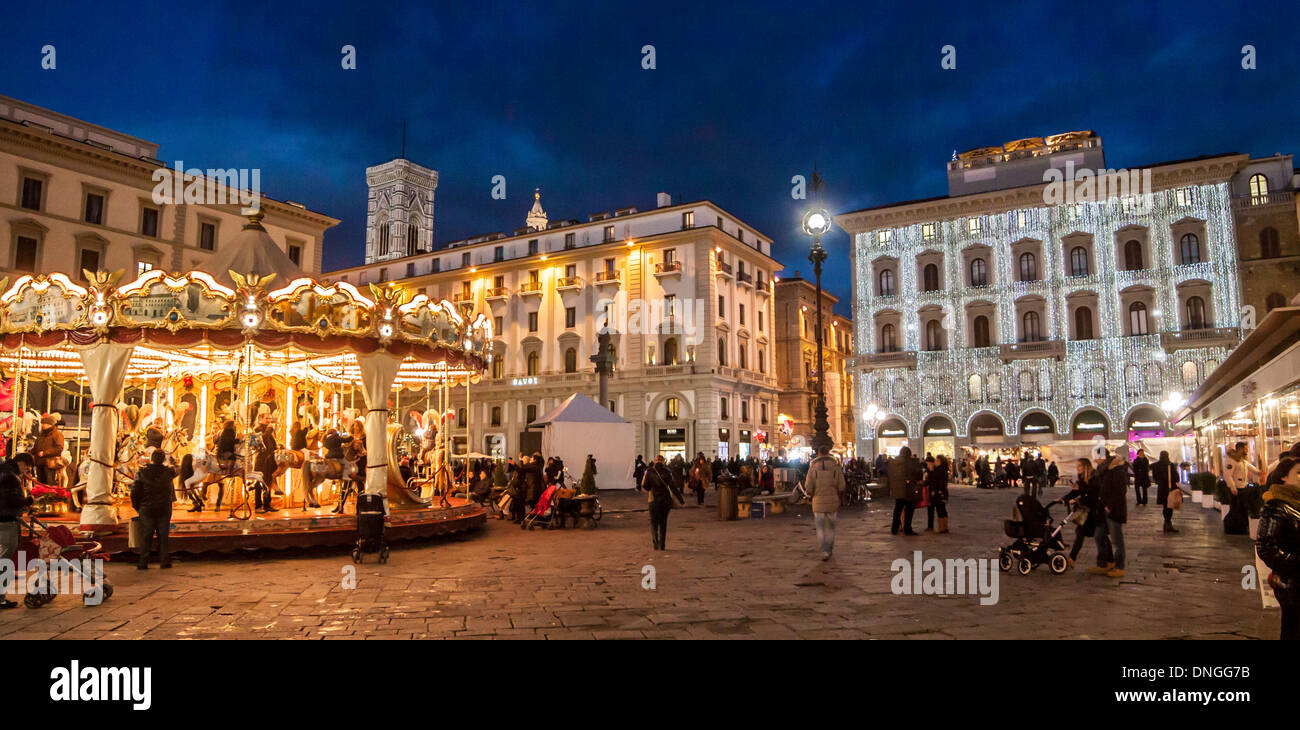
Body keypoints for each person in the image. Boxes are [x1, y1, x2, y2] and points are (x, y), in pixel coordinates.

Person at [1255, 456, 1300, 640]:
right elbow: (1266, 547)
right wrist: (1296, 564)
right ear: (1283, 477)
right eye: (1298, 473)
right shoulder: (1276, 505)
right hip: (1292, 583)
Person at [1052, 458, 1110, 569]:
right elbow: (1076, 491)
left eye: (1079, 466)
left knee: (1102, 538)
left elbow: (1093, 494)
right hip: (1087, 514)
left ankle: (1110, 562)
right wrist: (1063, 499)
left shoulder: (1094, 477)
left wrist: (1078, 500)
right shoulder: (1082, 478)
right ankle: (1072, 559)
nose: (1077, 468)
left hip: (1096, 513)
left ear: (1085, 466)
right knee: (1080, 534)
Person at [131, 449, 177, 570]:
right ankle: (164, 560)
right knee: (163, 535)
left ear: (151, 459)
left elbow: (135, 492)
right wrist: (172, 460)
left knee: (146, 535)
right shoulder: (169, 472)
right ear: (163, 459)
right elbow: (177, 468)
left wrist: (138, 507)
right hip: (163, 508)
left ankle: (143, 561)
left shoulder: (142, 472)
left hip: (147, 508)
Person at [0, 453, 34, 608]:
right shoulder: (10, 477)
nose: (26, 470)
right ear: (21, 462)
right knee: (5, 560)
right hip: (6, 521)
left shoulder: (3, 470)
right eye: (26, 467)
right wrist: (28, 501)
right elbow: (12, 500)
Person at [1091, 451, 1129, 578]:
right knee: (1098, 535)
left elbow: (1120, 491)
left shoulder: (1116, 470)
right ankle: (1104, 563)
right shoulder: (1103, 470)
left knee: (1117, 540)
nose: (1095, 459)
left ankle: (1119, 567)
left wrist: (1110, 506)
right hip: (1103, 509)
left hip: (1113, 510)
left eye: (1097, 456)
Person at [803, 444, 844, 560]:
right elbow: (842, 486)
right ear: (828, 452)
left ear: (818, 453)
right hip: (832, 500)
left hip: (818, 501)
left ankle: (824, 551)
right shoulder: (836, 466)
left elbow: (808, 486)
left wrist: (809, 493)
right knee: (830, 527)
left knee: (820, 527)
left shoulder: (813, 466)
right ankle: (829, 549)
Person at [641, 454, 683, 550]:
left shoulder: (649, 471)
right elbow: (673, 486)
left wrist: (650, 488)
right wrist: (680, 499)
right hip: (665, 499)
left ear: (655, 461)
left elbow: (644, 485)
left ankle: (655, 542)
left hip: (653, 499)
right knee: (663, 522)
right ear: (663, 461)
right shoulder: (667, 471)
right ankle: (662, 544)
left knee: (653, 522)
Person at [889, 446, 921, 536]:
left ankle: (894, 528)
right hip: (907, 490)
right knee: (909, 509)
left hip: (898, 490)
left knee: (897, 509)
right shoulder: (908, 462)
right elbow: (915, 473)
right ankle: (907, 528)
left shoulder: (894, 462)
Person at [1152, 450, 1180, 534]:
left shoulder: (1155, 465)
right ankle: (1168, 523)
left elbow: (1155, 478)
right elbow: (1176, 477)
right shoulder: (1170, 465)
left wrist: (1161, 481)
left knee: (1165, 506)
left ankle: (1167, 523)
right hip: (1170, 488)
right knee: (1169, 506)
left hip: (1162, 488)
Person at [33, 414, 65, 486]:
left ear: (50, 424)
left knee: (49, 483)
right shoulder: (41, 434)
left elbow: (59, 448)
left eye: (44, 424)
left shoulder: (57, 434)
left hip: (50, 463)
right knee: (40, 483)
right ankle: (41, 496)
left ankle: (49, 496)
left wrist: (45, 453)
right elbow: (36, 447)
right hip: (39, 462)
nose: (42, 425)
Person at [927, 454, 951, 533]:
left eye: (937, 460)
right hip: (943, 491)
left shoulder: (938, 470)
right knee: (943, 509)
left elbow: (933, 480)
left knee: (939, 509)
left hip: (938, 492)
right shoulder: (944, 470)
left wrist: (931, 471)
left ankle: (941, 527)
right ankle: (945, 527)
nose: (935, 462)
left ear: (940, 461)